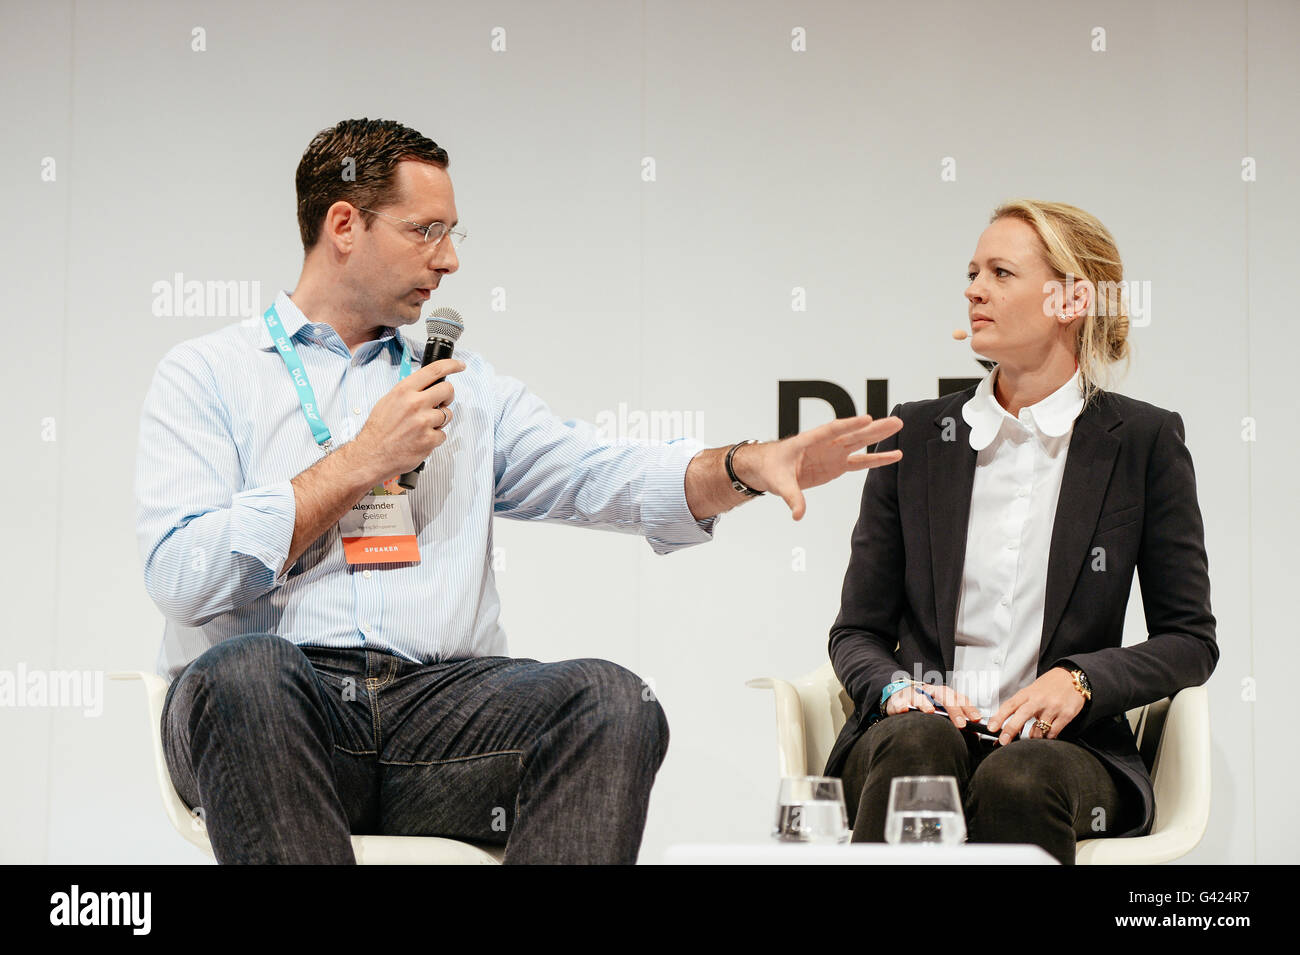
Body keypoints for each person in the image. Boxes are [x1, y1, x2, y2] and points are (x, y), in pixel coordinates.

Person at [133, 117, 904, 864]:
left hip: (435, 714)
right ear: (344, 225)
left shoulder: (467, 392)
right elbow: (181, 577)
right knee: (246, 673)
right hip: (272, 711)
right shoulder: (208, 375)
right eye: (425, 230)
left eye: (452, 234)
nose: (449, 261)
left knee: (611, 700)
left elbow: (603, 473)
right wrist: (361, 460)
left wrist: (741, 465)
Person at [823, 199, 1217, 864]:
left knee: (1022, 775)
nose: (974, 289)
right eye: (972, 273)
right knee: (922, 746)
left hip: (1070, 751)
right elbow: (856, 631)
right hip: (913, 737)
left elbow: (1190, 641)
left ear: (1070, 298)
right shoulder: (918, 435)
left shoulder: (1144, 441)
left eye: (1001, 273)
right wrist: (897, 688)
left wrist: (1081, 679)